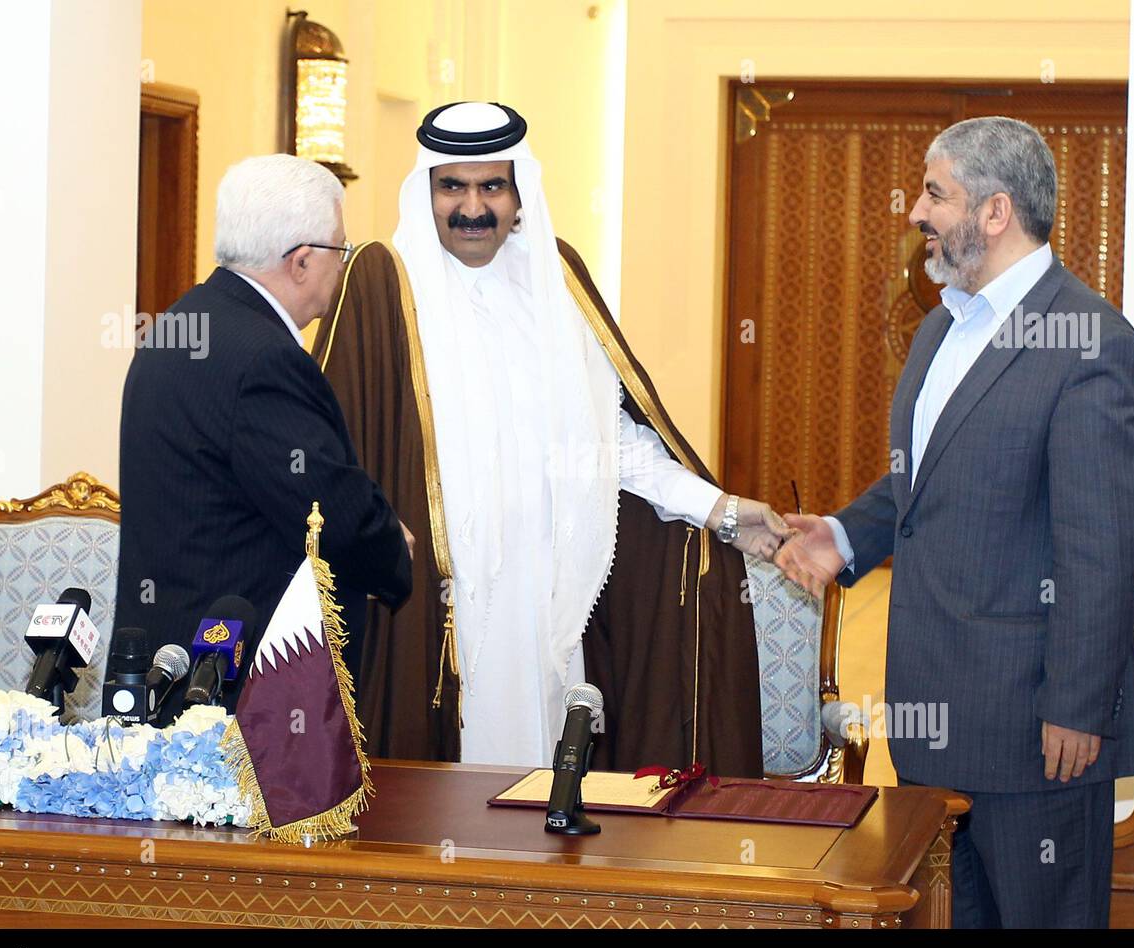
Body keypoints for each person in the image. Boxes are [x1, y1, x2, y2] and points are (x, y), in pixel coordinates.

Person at [314, 102, 783, 774]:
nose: (472, 206)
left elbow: (610, 441)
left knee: (545, 783)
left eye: (491, 186)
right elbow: (334, 446)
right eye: (453, 186)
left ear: (518, 193)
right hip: (434, 606)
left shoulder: (554, 279)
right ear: (427, 192)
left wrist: (722, 510)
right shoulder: (384, 283)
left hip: (546, 595)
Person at [776, 116, 1134, 928]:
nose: (916, 210)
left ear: (995, 213)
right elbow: (925, 481)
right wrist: (842, 536)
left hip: (1036, 736)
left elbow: (1105, 546)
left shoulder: (1091, 342)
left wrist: (1079, 708)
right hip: (932, 725)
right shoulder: (944, 326)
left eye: (935, 193)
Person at [115, 154, 414, 721]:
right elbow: (326, 512)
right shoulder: (265, 360)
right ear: (302, 261)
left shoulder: (178, 325)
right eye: (340, 251)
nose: (342, 266)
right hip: (236, 684)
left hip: (170, 660)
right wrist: (392, 547)